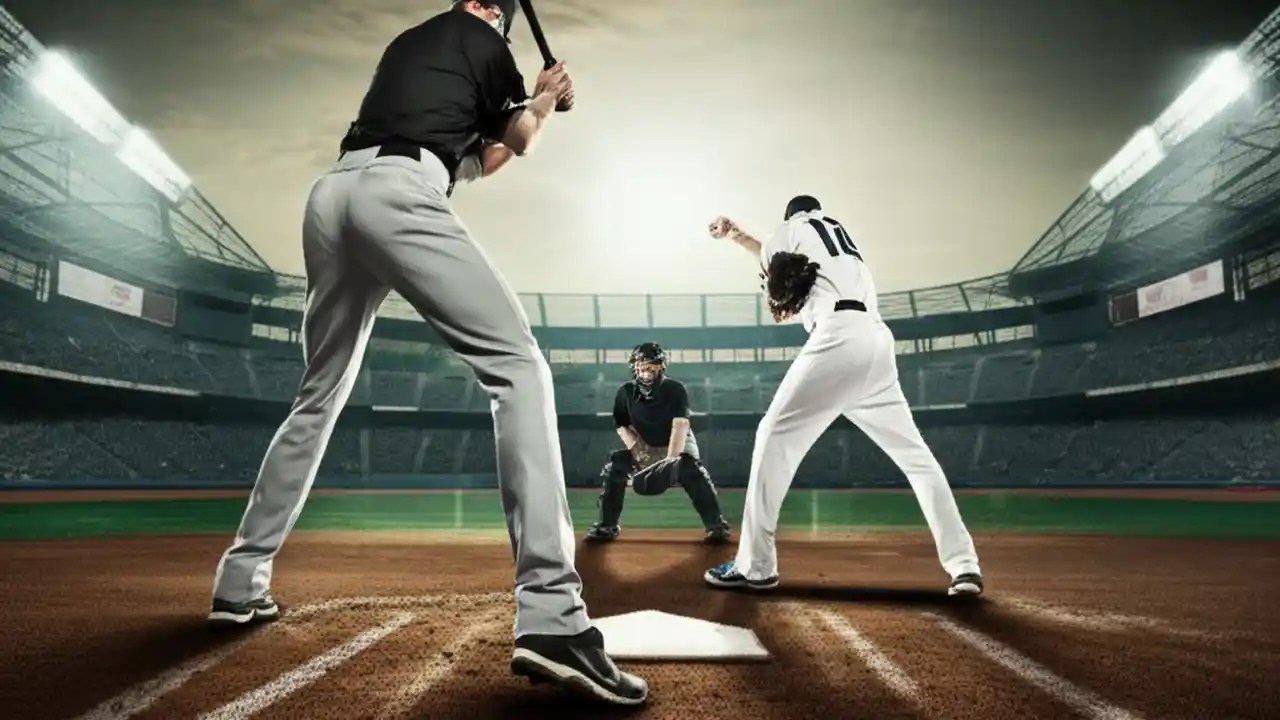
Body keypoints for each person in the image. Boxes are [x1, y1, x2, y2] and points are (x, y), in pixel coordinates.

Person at [206, 1, 647, 706]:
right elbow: (523, 139)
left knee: (317, 395)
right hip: (399, 194)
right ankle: (553, 616)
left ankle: (239, 581)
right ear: (498, 17)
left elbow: (485, 155)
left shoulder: (418, 45)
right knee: (519, 368)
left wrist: (537, 102)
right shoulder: (484, 38)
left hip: (334, 198)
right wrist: (543, 98)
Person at [701, 196, 984, 597]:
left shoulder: (792, 229)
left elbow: (771, 258)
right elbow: (778, 255)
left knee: (772, 436)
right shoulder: (844, 244)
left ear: (791, 214)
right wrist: (744, 237)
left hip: (836, 339)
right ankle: (965, 566)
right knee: (918, 460)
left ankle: (756, 566)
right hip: (876, 343)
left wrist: (736, 235)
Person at [585, 342, 732, 544]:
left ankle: (716, 525)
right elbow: (622, 425)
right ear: (634, 367)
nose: (648, 372)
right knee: (616, 466)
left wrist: (671, 460)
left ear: (662, 367)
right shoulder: (625, 392)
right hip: (645, 441)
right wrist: (638, 450)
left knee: (691, 469)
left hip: (677, 439)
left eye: (653, 366)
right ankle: (607, 525)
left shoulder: (675, 389)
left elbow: (680, 424)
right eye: (643, 366)